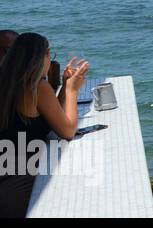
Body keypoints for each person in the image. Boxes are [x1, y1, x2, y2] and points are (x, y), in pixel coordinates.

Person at [0, 33, 89, 217]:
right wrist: (72, 91)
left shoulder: (8, 84)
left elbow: (50, 118)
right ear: (41, 57)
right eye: (50, 55)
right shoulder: (36, 87)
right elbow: (67, 130)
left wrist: (64, 86)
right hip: (20, 184)